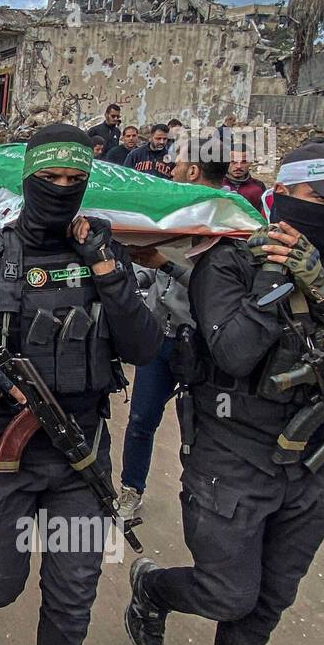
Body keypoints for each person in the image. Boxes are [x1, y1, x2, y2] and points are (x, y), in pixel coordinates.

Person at [124, 145, 324, 645]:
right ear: (285, 195)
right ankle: (153, 589)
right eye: (323, 199)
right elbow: (233, 351)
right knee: (228, 590)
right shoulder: (230, 260)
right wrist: (278, 281)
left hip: (309, 460)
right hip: (229, 454)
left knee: (275, 591)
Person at [0, 124, 159, 645]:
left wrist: (106, 271)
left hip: (79, 453)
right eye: (49, 178)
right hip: (2, 453)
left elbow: (142, 346)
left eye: (73, 180)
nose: (61, 189)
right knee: (1, 582)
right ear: (27, 180)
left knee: (74, 590)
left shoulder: (105, 254)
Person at [118, 136, 231, 522]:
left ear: (194, 170)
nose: (170, 167)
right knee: (140, 422)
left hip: (202, 344)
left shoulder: (227, 224)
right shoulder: (166, 208)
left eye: (177, 161)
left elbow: (215, 286)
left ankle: (205, 502)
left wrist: (162, 263)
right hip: (160, 338)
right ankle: (131, 490)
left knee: (205, 431)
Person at [222, 141, 267, 212]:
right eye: (233, 162)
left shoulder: (259, 187)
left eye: (244, 162)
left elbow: (264, 214)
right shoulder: (216, 184)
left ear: (250, 163)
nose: (238, 166)